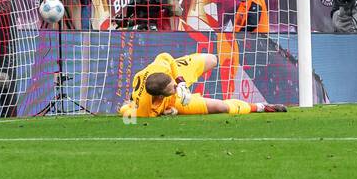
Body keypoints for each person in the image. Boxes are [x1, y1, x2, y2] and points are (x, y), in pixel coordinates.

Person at [118, 52, 286, 119]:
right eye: (173, 89)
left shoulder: (160, 69)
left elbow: (166, 56)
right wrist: (131, 106)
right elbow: (125, 114)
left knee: (212, 59)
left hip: (175, 72)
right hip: (172, 102)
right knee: (220, 107)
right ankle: (261, 107)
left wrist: (179, 82)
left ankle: (178, 81)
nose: (175, 89)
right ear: (161, 96)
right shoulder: (143, 111)